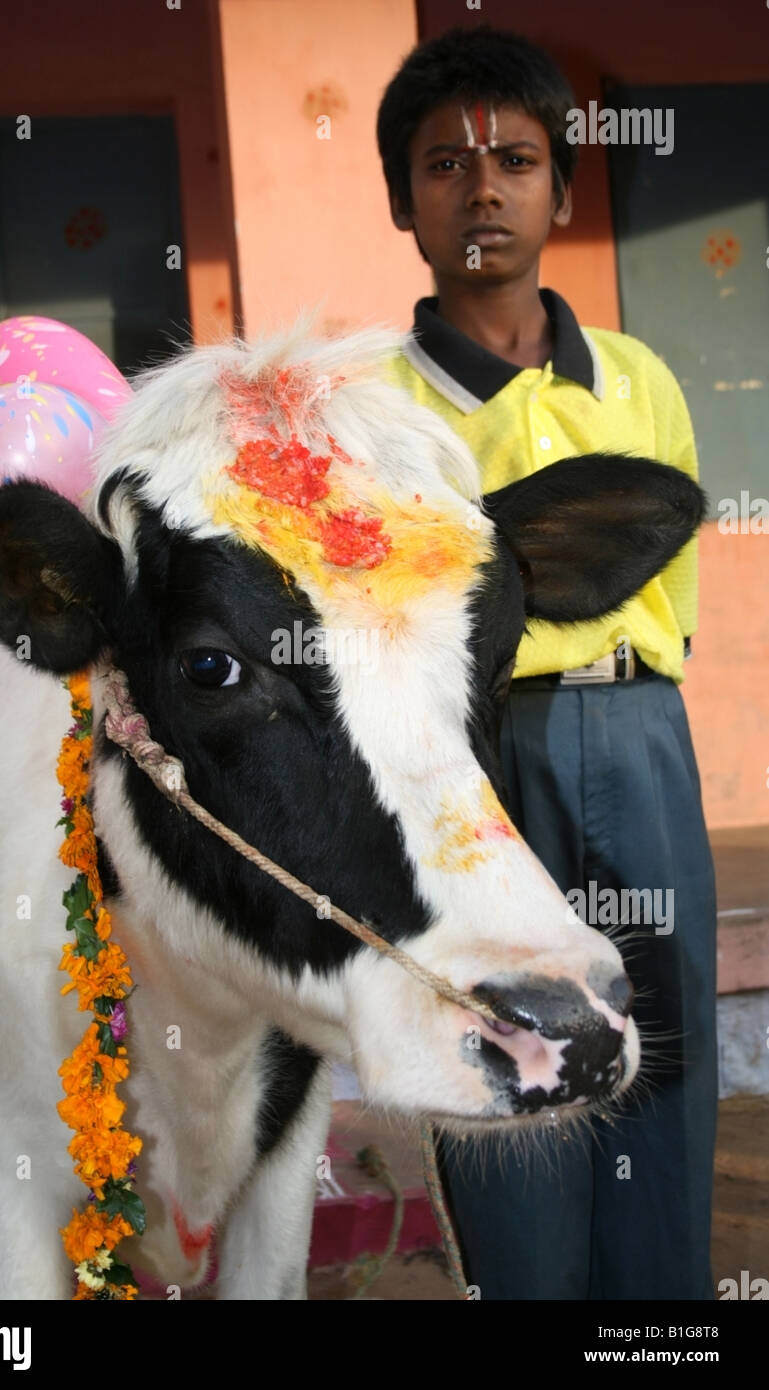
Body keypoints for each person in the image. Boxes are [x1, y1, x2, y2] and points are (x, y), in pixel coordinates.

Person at [376, 24, 717, 1300]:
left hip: (640, 735)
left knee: (665, 1040)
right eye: (445, 165)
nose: (482, 189)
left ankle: (661, 1315)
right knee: (504, 1031)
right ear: (403, 203)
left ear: (562, 193)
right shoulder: (378, 404)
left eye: (514, 159)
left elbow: (670, 579)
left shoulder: (637, 379)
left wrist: (630, 688)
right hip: (477, 757)